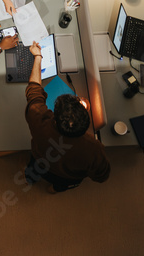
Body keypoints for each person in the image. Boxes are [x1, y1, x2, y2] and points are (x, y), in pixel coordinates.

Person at [23, 41, 110, 193]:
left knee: (33, 171)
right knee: (60, 185)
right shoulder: (94, 148)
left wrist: (37, 57)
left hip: (40, 162)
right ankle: (55, 190)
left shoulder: (39, 121)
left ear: (55, 118)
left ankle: (30, 180)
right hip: (68, 177)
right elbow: (102, 176)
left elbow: (34, 91)